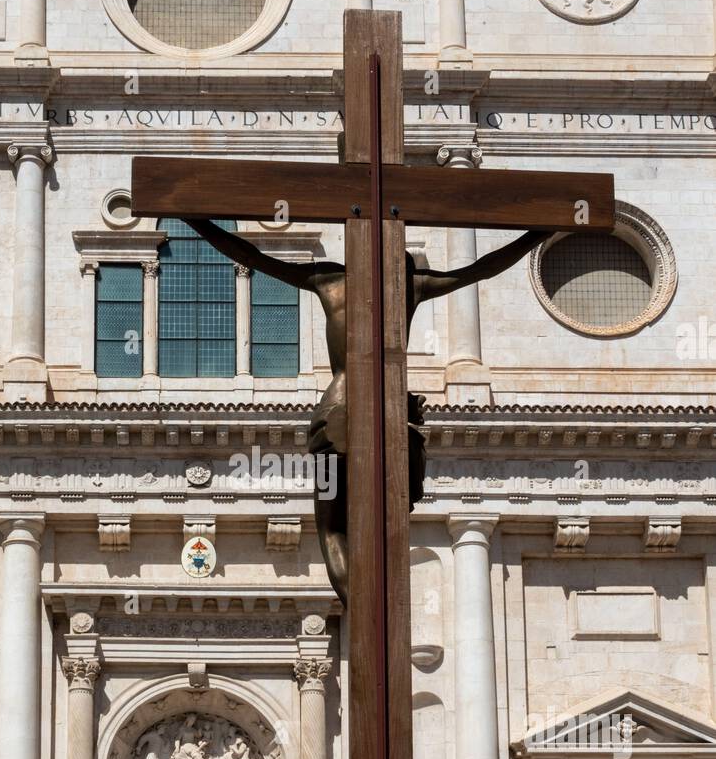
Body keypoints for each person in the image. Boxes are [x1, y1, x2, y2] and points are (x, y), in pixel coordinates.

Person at [182, 216, 549, 604]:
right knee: (392, 519)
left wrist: (197, 222)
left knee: (331, 529)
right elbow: (481, 268)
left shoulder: (328, 280)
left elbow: (251, 256)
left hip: (332, 420)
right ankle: (380, 610)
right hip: (391, 416)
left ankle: (360, 608)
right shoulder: (410, 285)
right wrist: (537, 233)